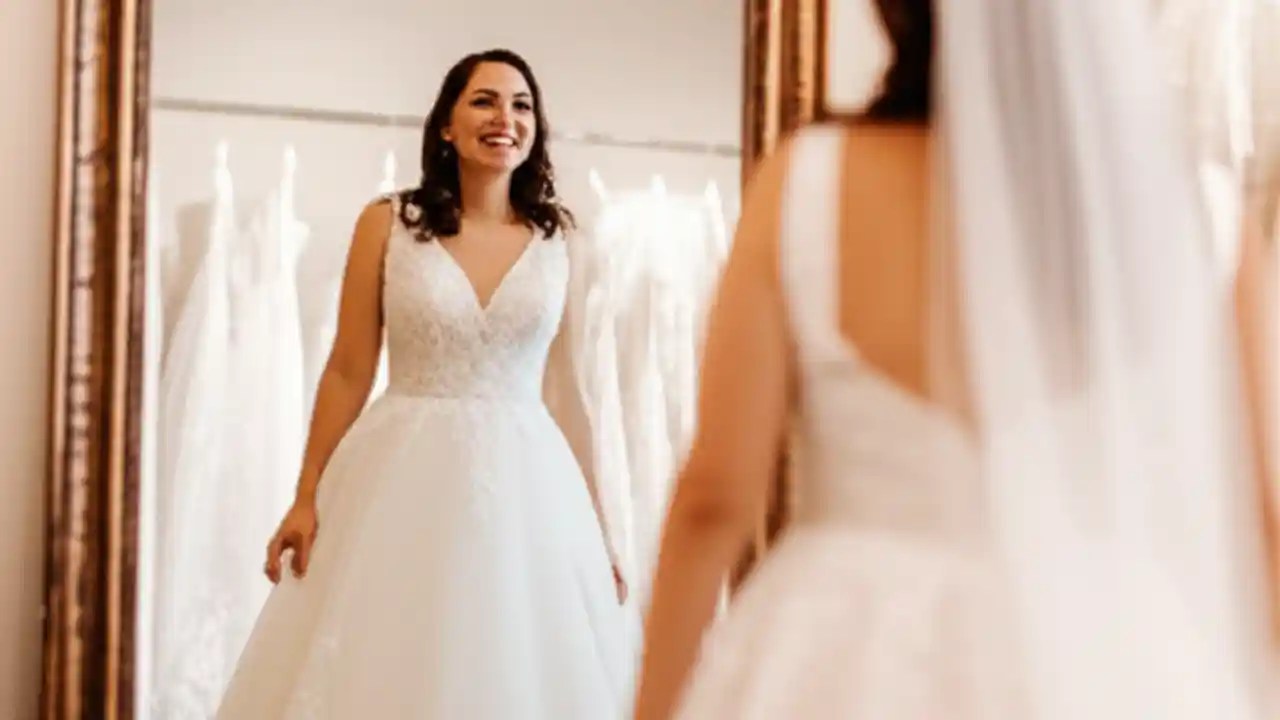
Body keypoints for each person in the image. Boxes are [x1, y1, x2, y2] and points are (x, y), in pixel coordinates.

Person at [634, 1, 1279, 718]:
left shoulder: (812, 181)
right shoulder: (1204, 214)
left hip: (850, 653)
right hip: (1107, 651)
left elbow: (716, 499)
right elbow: (1255, 525)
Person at [216, 48, 631, 719]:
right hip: (400, 474)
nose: (506, 118)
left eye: (521, 104)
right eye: (484, 100)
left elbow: (566, 391)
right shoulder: (389, 222)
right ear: (445, 125)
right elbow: (350, 366)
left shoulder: (562, 239)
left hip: (529, 487)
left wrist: (599, 528)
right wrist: (305, 496)